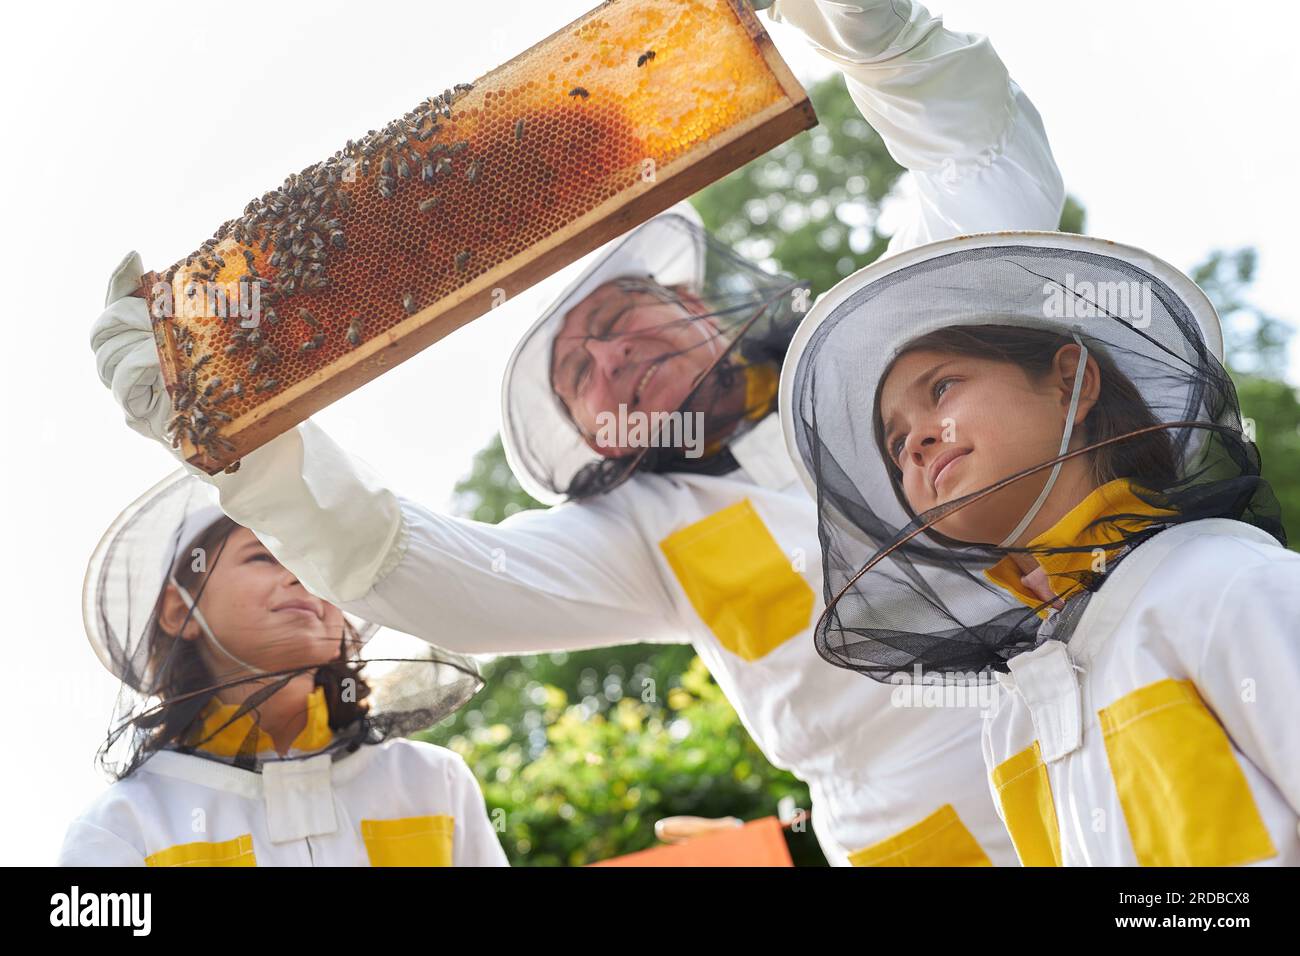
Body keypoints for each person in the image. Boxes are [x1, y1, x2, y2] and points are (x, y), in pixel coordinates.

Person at [89, 0, 1064, 866]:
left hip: (1113, 726)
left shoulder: (865, 354)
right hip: (910, 837)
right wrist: (239, 436)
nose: (607, 366)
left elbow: (986, 181)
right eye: (578, 376)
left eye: (618, 322)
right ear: (596, 437)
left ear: (691, 304)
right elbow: (411, 569)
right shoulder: (644, 528)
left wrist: (881, 33)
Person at [779, 229, 1299, 865]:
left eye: (941, 389)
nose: (915, 442)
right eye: (896, 444)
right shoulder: (1011, 718)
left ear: (1073, 383)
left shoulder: (1222, 583)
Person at [59, 472, 507, 866]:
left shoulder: (432, 782)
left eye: (319, 567)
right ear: (181, 611)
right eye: (262, 556)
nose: (303, 578)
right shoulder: (122, 829)